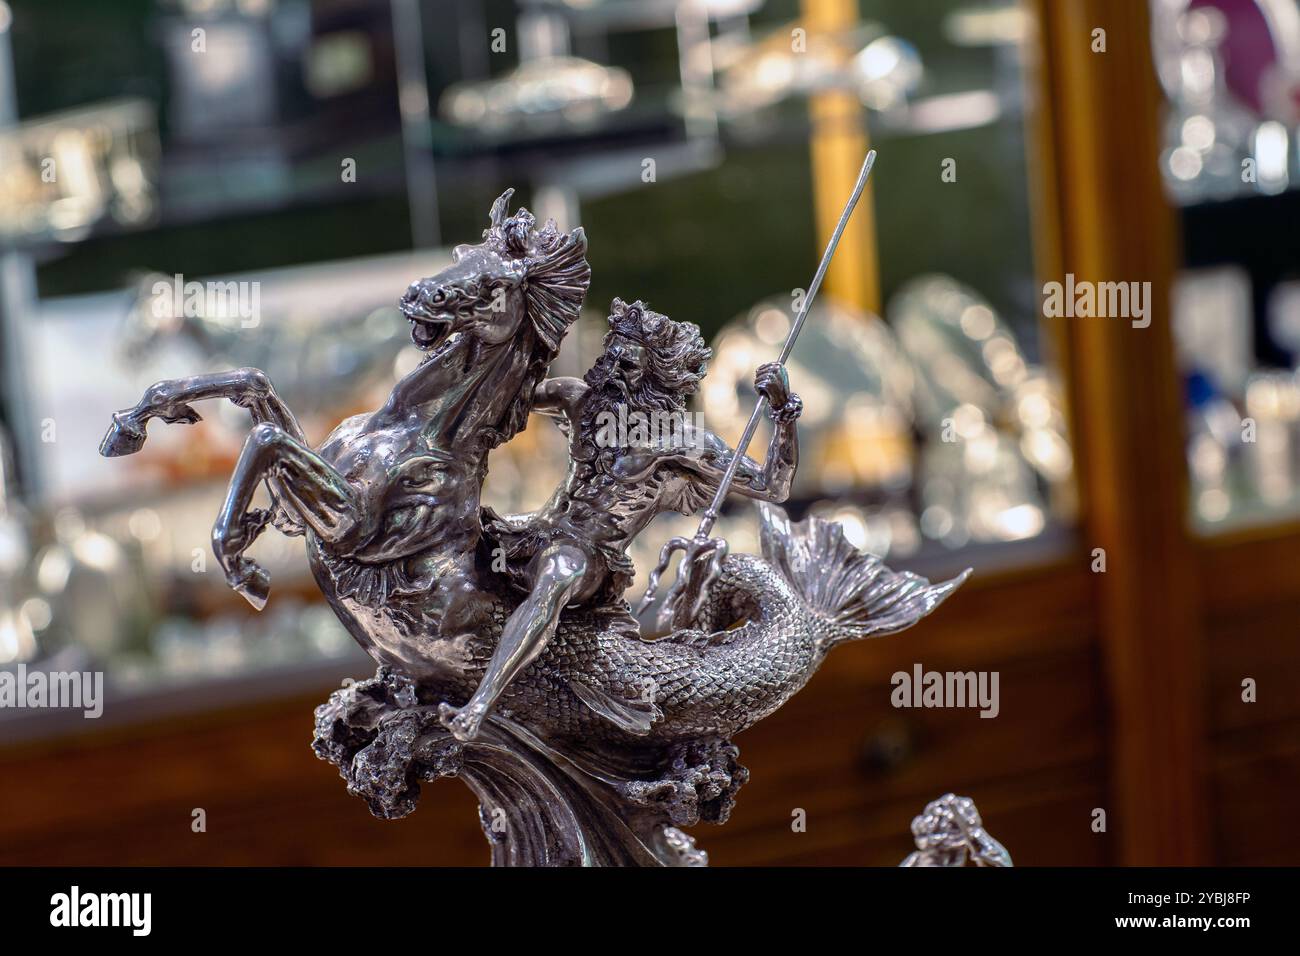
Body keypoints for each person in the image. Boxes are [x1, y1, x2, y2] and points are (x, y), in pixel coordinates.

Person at [439, 297, 802, 741]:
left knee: (556, 577)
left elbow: (772, 487)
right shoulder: (577, 400)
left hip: (588, 557)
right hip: (535, 532)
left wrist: (784, 414)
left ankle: (479, 706)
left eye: (626, 366)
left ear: (653, 377)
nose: (611, 371)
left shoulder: (680, 442)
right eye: (609, 357)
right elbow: (496, 396)